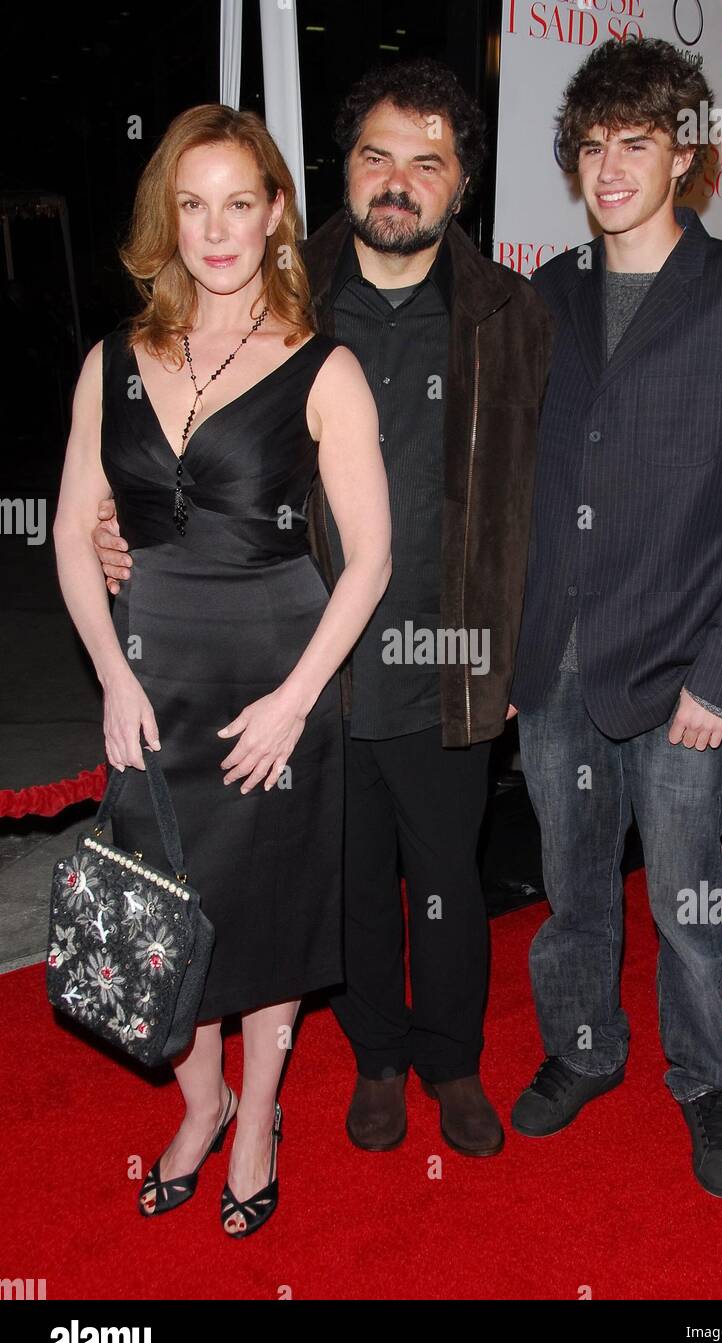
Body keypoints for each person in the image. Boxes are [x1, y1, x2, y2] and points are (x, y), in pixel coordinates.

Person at [93, 59, 553, 1159]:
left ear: (462, 184)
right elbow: (177, 431)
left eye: (426, 163)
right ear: (339, 173)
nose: (398, 181)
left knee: (447, 878)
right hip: (302, 668)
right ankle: (378, 1059)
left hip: (445, 657)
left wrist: (529, 658)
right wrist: (125, 528)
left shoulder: (510, 319)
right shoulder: (287, 292)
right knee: (339, 885)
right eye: (375, 156)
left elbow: (545, 494)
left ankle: (449, 1058)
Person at [53, 103, 391, 1235]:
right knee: (161, 911)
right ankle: (200, 1103)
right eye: (191, 205)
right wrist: (109, 670)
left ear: (276, 214)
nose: (215, 229)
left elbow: (369, 557)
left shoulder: (324, 368)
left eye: (238, 202)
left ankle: (257, 1120)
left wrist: (297, 705)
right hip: (151, 680)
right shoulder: (112, 358)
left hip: (272, 682)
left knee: (266, 915)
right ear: (167, 218)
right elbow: (71, 528)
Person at [508, 38, 722, 1196]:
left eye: (634, 142)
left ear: (683, 155)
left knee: (686, 901)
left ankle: (705, 1082)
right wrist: (506, 649)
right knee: (570, 884)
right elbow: (524, 496)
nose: (609, 168)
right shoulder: (547, 296)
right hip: (555, 669)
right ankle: (583, 1050)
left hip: (684, 666)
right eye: (590, 146)